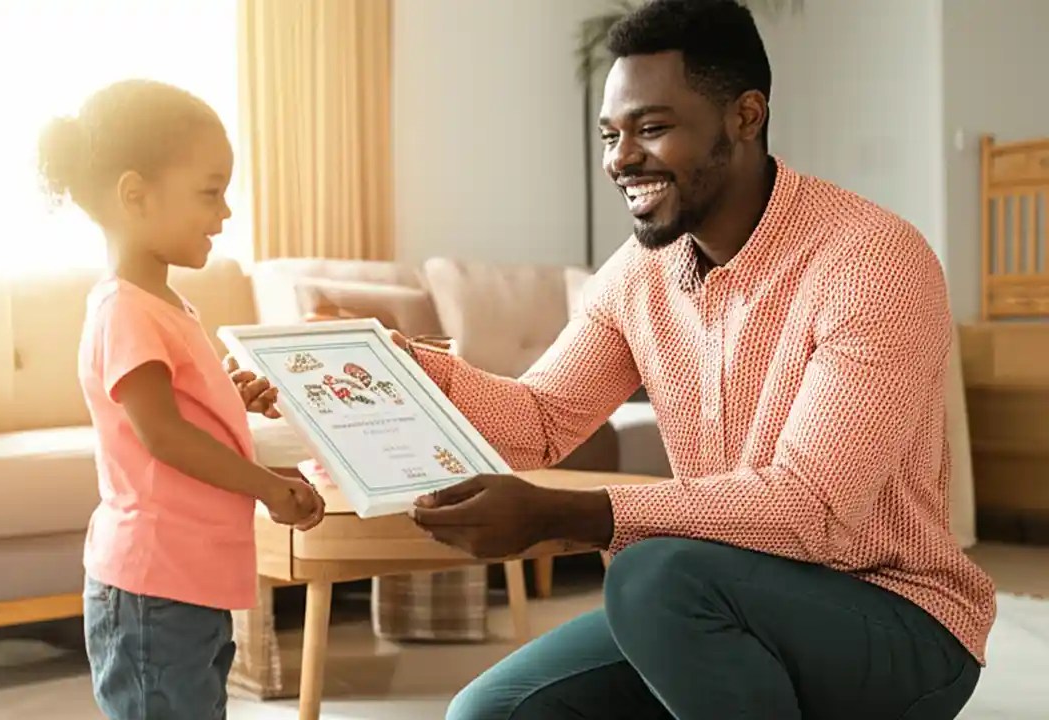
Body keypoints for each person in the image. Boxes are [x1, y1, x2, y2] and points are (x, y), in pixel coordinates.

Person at [399, 1, 996, 718]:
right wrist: (388, 366)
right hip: (717, 600)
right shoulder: (638, 274)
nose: (620, 159)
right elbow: (541, 420)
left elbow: (813, 511)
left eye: (651, 128)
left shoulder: (872, 261)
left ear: (745, 117)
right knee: (489, 713)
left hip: (897, 619)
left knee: (654, 576)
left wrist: (575, 514)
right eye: (610, 134)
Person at [36, 79, 325, 720]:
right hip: (152, 590)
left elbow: (180, 410)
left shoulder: (165, 307)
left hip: (181, 583)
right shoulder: (127, 310)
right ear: (135, 195)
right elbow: (162, 436)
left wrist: (229, 396)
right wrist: (268, 486)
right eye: (209, 192)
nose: (223, 214)